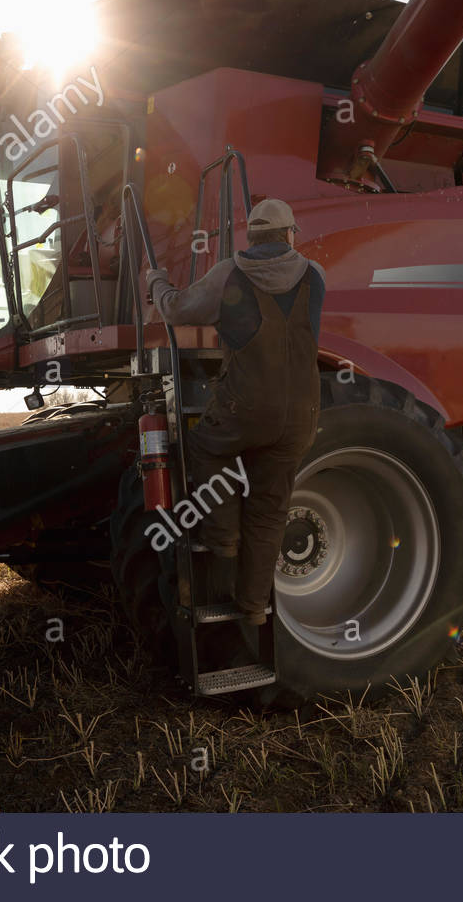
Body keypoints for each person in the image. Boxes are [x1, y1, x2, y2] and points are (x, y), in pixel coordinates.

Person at [145, 198, 325, 629]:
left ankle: (222, 537)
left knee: (205, 449)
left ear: (253, 236)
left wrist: (156, 283)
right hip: (302, 413)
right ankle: (252, 610)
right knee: (269, 508)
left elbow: (176, 310)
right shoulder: (316, 276)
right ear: (289, 234)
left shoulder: (230, 272)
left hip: (244, 406)